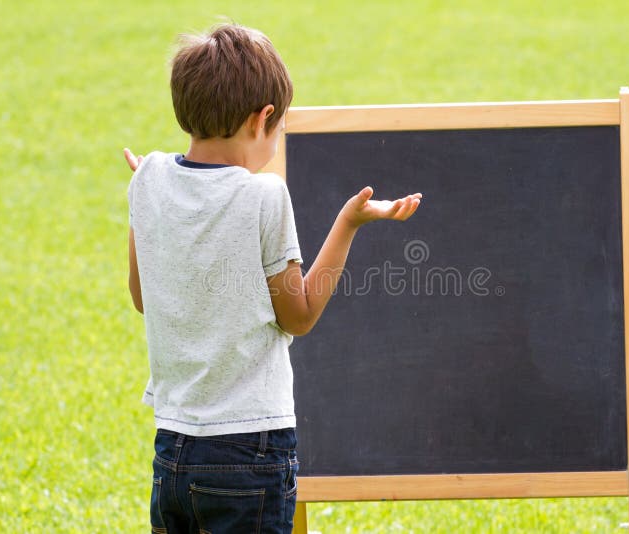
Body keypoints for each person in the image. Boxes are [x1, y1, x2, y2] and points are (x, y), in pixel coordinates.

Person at [125, 22, 422, 533]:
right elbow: (299, 315)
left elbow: (142, 297)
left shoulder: (147, 178)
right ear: (262, 119)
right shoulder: (264, 195)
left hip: (172, 447)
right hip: (250, 449)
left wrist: (146, 197)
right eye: (280, 126)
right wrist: (347, 224)